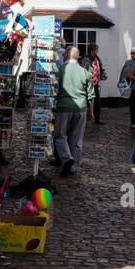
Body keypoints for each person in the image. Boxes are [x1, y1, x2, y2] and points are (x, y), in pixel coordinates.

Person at [53, 46, 94, 176]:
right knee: (76, 139)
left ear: (66, 55)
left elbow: (55, 90)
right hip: (81, 108)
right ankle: (73, 167)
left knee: (60, 135)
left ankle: (66, 158)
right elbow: (91, 95)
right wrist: (91, 112)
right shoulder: (85, 72)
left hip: (64, 107)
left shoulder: (59, 70)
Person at [81, 44, 107, 124]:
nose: (97, 51)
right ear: (92, 50)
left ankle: (97, 118)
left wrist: (102, 74)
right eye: (96, 50)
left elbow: (100, 69)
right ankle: (85, 118)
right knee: (87, 101)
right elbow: (83, 70)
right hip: (88, 83)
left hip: (96, 83)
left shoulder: (97, 59)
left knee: (97, 101)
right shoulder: (85, 59)